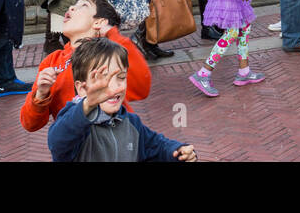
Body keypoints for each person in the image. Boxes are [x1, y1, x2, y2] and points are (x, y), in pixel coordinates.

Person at [48, 39, 198, 163]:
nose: (114, 88)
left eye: (120, 77)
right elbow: (57, 142)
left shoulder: (131, 122)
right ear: (82, 88)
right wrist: (88, 104)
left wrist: (178, 151)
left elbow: (157, 146)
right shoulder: (74, 123)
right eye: (102, 79)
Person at [21, 0, 151, 132]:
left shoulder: (109, 53)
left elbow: (140, 88)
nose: (71, 7)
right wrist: (41, 94)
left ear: (98, 22)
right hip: (76, 147)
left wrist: (111, 33)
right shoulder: (52, 62)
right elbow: (30, 124)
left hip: (115, 143)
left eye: (83, 5)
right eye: (73, 5)